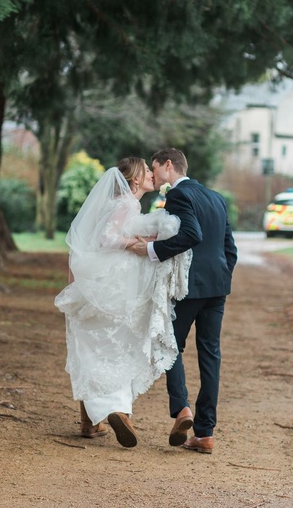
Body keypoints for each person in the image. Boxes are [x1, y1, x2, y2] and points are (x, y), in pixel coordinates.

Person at [54, 157, 192, 448]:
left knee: (93, 347)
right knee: (119, 345)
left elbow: (83, 243)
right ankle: (117, 411)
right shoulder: (126, 204)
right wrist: (137, 243)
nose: (151, 176)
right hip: (117, 287)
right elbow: (106, 239)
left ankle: (92, 423)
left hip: (103, 284)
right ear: (134, 180)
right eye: (146, 172)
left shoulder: (119, 204)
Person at [129, 147, 237, 455]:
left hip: (189, 287)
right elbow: (230, 249)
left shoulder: (177, 196)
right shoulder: (217, 199)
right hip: (217, 288)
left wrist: (151, 251)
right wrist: (222, 276)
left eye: (154, 167)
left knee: (169, 345)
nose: (153, 173)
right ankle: (205, 433)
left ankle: (181, 410)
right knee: (210, 355)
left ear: (168, 165)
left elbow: (192, 234)